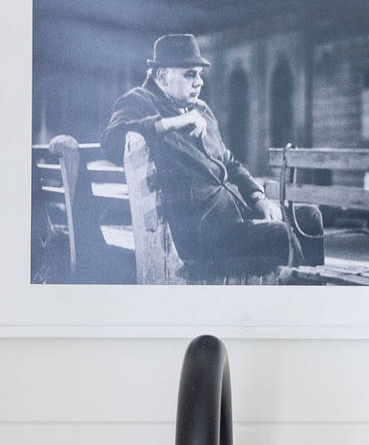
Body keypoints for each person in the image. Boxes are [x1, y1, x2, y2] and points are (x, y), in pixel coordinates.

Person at [102, 35, 290, 282]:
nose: (199, 83)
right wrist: (172, 123)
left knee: (309, 218)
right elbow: (111, 142)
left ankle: (305, 296)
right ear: (161, 76)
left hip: (229, 217)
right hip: (198, 233)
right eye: (190, 74)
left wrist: (258, 198)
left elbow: (229, 161)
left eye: (199, 75)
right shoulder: (139, 101)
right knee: (279, 234)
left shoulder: (200, 110)